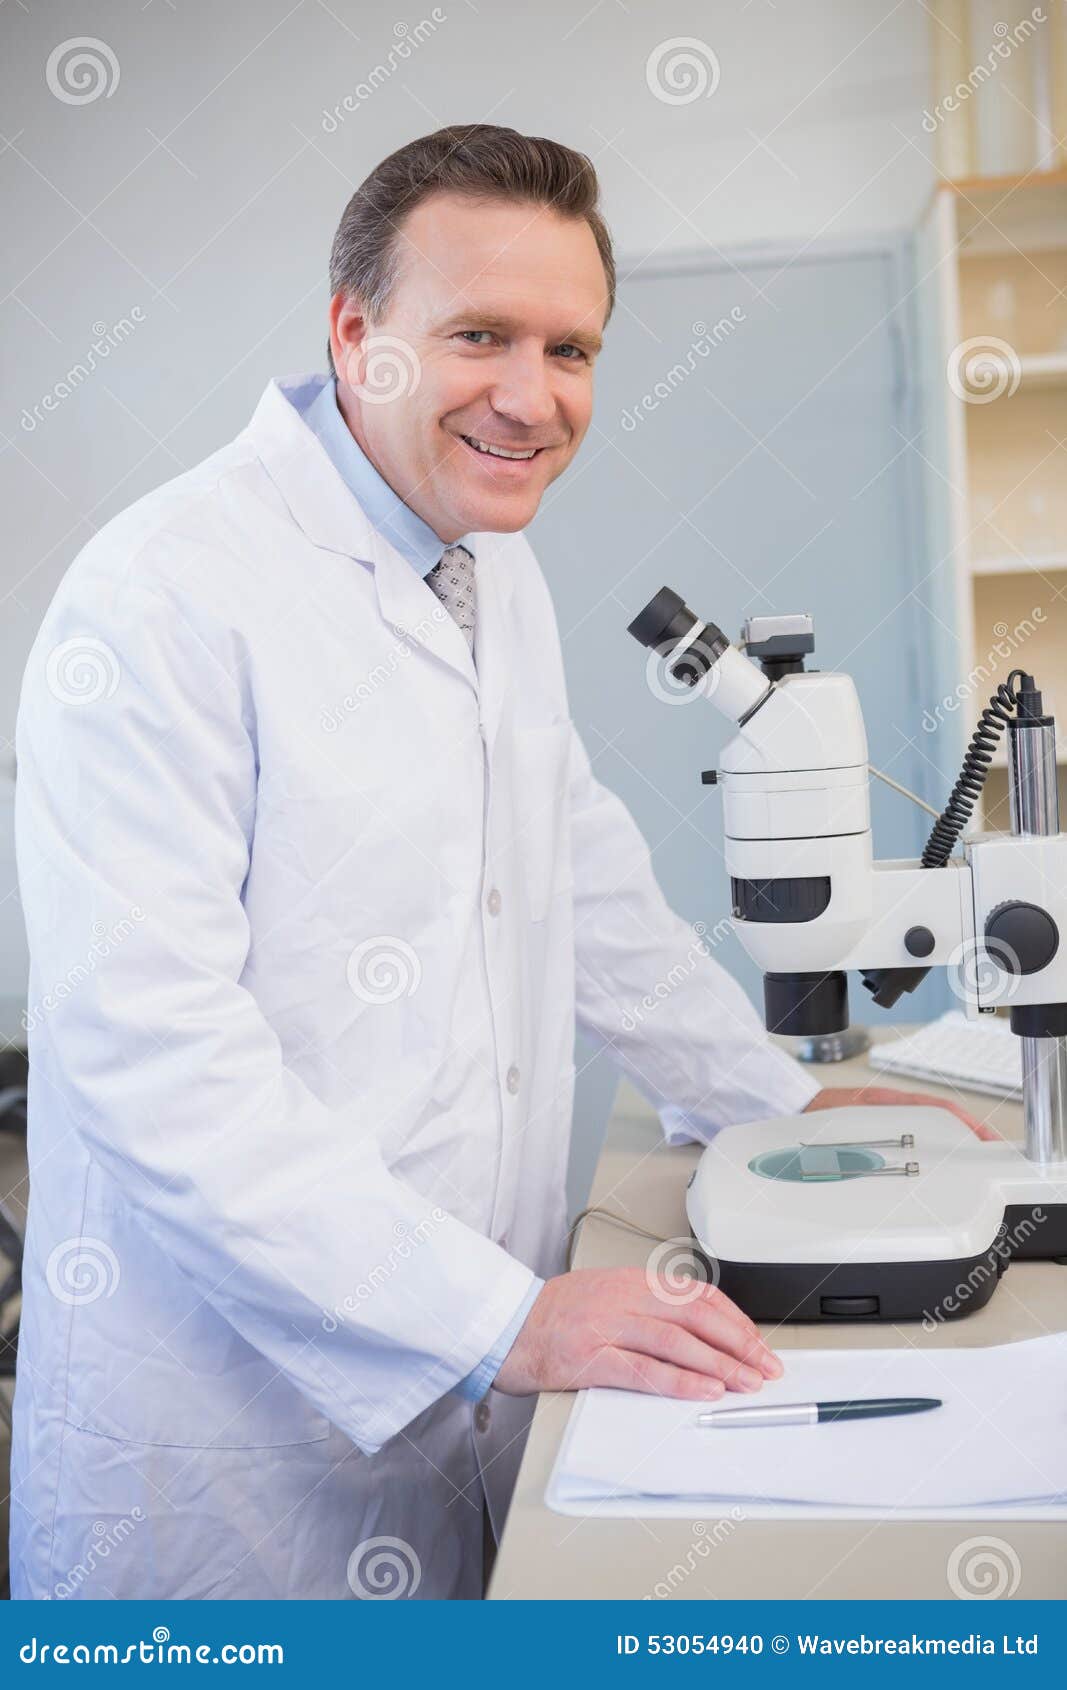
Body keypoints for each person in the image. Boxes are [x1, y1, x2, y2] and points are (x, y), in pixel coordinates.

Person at [9, 125, 989, 1602]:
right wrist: (496, 1319)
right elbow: (152, 1057)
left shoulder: (491, 564)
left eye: (572, 347)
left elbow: (578, 873)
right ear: (357, 333)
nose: (532, 397)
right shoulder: (163, 598)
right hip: (224, 1464)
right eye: (481, 334)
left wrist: (769, 1093)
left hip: (471, 1394)